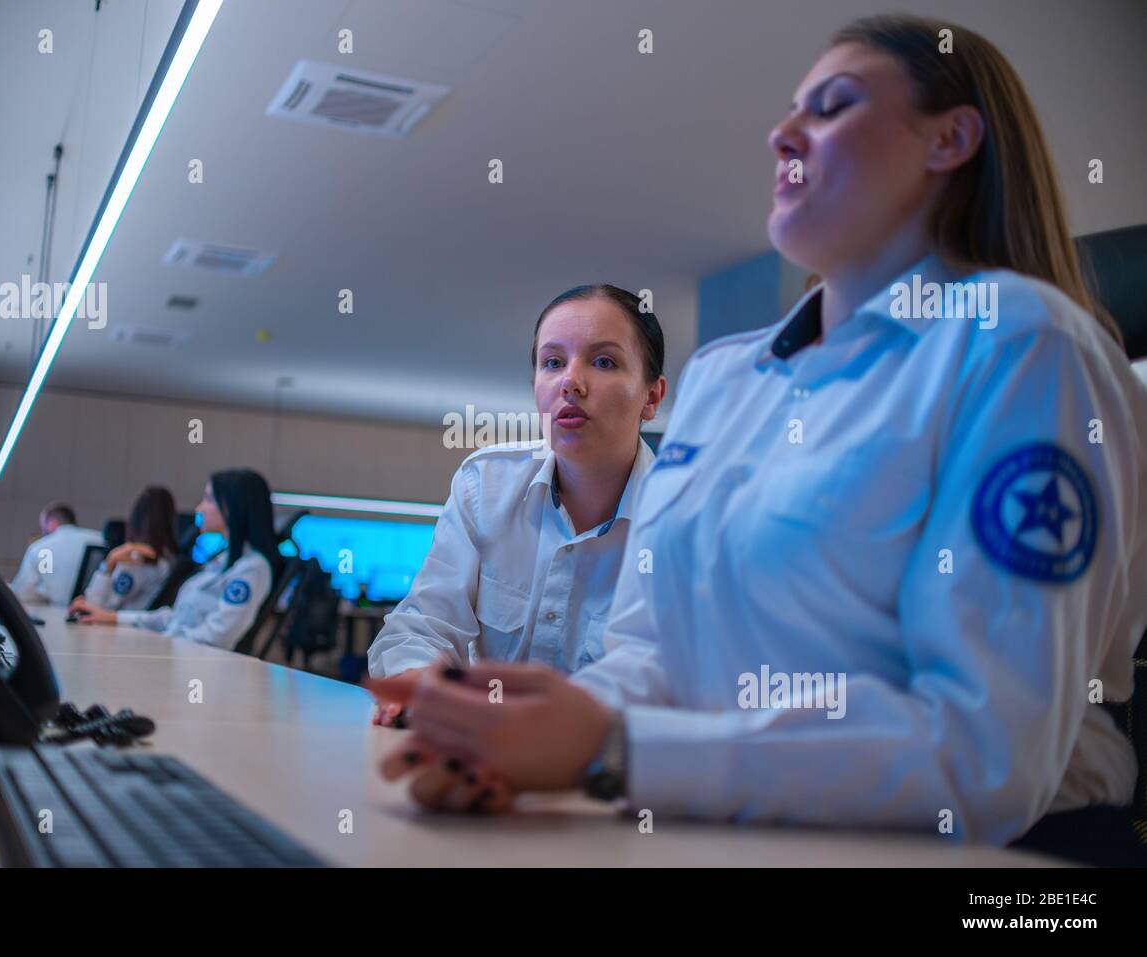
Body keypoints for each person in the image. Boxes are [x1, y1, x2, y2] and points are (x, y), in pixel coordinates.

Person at [369, 15, 1147, 850]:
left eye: (832, 106)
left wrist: (614, 750)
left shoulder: (1023, 346)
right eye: (789, 111)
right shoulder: (727, 377)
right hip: (730, 819)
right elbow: (652, 652)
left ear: (950, 140)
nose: (783, 132)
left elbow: (985, 757)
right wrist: (528, 740)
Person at [366, 284, 666, 724]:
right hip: (478, 764)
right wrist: (420, 681)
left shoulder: (689, 522)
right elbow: (423, 625)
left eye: (604, 361)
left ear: (651, 397)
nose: (571, 382)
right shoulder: (484, 485)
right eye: (553, 362)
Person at [70, 470, 281, 651]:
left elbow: (217, 638)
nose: (199, 508)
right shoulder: (221, 563)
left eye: (208, 499)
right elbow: (174, 619)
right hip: (176, 658)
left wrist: (159, 646)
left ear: (231, 507)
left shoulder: (252, 569)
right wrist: (115, 618)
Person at [72, 486, 178, 612]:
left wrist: (110, 562)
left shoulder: (137, 558)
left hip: (117, 628)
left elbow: (95, 606)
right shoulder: (169, 559)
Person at [8, 502, 103, 607]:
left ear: (51, 523)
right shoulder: (100, 539)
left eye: (43, 526)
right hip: (97, 615)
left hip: (55, 615)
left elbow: (24, 592)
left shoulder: (42, 548)